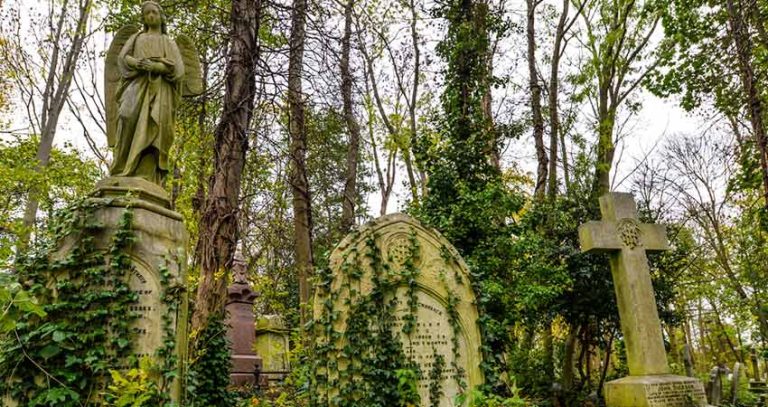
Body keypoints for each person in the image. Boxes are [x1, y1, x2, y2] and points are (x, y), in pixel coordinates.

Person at [110, 1, 184, 184]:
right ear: (143, 18)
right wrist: (135, 63)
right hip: (136, 84)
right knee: (126, 116)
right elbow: (122, 58)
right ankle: (122, 168)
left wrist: (157, 66)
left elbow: (179, 70)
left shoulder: (168, 41)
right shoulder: (136, 38)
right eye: (147, 13)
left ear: (160, 16)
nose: (151, 16)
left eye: (154, 13)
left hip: (159, 90)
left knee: (155, 128)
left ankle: (146, 173)